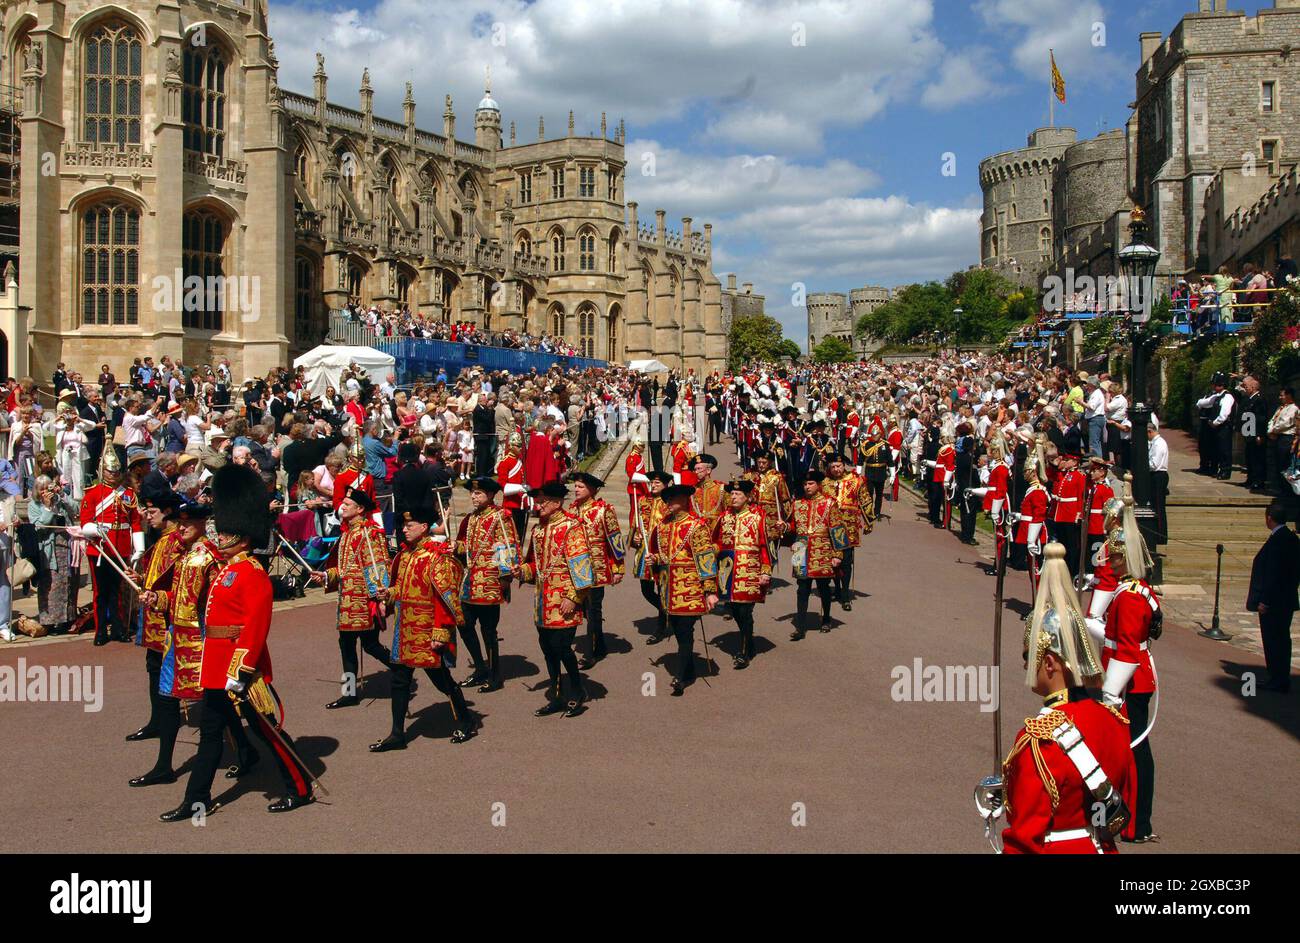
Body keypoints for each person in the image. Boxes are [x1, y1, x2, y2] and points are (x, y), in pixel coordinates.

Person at [161, 462, 314, 820]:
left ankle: (300, 787)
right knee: (210, 736)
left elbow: (255, 626)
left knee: (267, 730)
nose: (220, 536)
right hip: (215, 665)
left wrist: (241, 668)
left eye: (227, 531)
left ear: (242, 536)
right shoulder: (226, 570)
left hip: (238, 669)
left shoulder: (252, 573)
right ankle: (195, 799)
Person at [1000, 542, 1134, 854]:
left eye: (1029, 656)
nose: (1025, 665)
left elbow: (1024, 838)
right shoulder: (1113, 719)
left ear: (1049, 662)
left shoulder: (1040, 740)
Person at [371, 507, 479, 751]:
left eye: (411, 525)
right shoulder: (405, 556)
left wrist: (441, 632)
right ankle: (397, 733)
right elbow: (401, 589)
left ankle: (465, 719)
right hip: (405, 629)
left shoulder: (437, 557)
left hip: (428, 630)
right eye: (403, 526)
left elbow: (446, 598)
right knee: (399, 681)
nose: (405, 529)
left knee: (443, 681)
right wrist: (388, 594)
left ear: (424, 526)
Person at [1100, 525, 1160, 844]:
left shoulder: (1132, 596)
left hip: (1129, 682)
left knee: (1135, 752)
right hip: (1127, 677)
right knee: (1127, 749)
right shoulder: (1130, 589)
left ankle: (1137, 824)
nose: (1109, 559)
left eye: (1114, 555)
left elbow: (1126, 649)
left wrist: (1111, 691)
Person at [514, 480, 594, 717]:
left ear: (557, 503)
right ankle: (557, 693)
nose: (538, 506)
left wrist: (574, 596)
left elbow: (583, 568)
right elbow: (534, 565)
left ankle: (578, 690)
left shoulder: (572, 527)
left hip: (564, 600)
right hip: (542, 601)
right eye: (537, 502)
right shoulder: (538, 530)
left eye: (542, 502)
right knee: (547, 647)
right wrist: (523, 571)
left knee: (561, 646)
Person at [313, 487, 393, 709]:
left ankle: (398, 669)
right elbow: (344, 570)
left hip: (364, 601)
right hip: (346, 602)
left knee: (370, 645)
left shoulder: (370, 534)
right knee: (346, 646)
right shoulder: (347, 534)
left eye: (347, 505)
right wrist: (326, 576)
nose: (342, 507)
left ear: (360, 509)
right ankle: (349, 692)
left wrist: (381, 599)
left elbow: (378, 568)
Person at [649, 482, 719, 696]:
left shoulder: (696, 526)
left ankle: (681, 676)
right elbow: (665, 555)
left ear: (683, 500)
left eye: (671, 499)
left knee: (684, 630)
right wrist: (656, 558)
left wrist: (709, 590)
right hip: (669, 588)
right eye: (666, 500)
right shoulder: (663, 526)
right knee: (679, 631)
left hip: (690, 587)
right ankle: (687, 669)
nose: (667, 503)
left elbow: (705, 558)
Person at [453, 476, 519, 692]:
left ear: (490, 495)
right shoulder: (472, 518)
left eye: (478, 493)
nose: (473, 496)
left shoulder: (501, 517)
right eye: (472, 493)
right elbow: (468, 547)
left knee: (489, 631)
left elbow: (507, 548)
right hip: (470, 581)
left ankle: (494, 673)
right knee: (463, 624)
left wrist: (505, 578)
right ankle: (480, 666)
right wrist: (456, 547)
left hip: (490, 581)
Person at [78, 449, 144, 645]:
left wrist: (138, 547)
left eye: (116, 472)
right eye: (110, 471)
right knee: (101, 592)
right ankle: (100, 632)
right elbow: (85, 523)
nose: (113, 475)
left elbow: (135, 522)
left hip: (121, 547)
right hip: (100, 549)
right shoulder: (92, 494)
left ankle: (118, 628)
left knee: (119, 591)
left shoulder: (129, 494)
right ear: (102, 471)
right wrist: (96, 530)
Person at [569, 471, 625, 669]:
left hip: (597, 569)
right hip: (576, 570)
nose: (576, 489)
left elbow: (615, 539)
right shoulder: (572, 510)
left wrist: (618, 567)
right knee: (584, 610)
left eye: (580, 487)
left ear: (592, 490)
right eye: (575, 486)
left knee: (593, 610)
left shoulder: (603, 510)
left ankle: (591, 654)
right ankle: (599, 644)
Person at [713, 478, 771, 669]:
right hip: (728, 570)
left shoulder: (757, 516)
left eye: (738, 494)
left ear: (748, 497)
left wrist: (765, 570)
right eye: (732, 494)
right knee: (736, 610)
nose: (734, 497)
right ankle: (749, 640)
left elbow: (764, 545)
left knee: (745, 610)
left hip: (750, 569)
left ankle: (745, 652)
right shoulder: (725, 517)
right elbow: (716, 541)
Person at [1246, 501, 1299, 693]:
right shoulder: (1291, 538)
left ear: (1269, 518)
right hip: (1286, 600)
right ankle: (1279, 676)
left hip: (1273, 602)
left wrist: (1264, 600)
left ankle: (1277, 677)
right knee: (1282, 638)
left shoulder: (1279, 540)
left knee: (1274, 639)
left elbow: (1273, 575)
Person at [788, 470, 846, 638]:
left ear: (819, 485)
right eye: (805, 484)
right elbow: (792, 526)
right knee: (802, 588)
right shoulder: (797, 503)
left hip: (822, 550)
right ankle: (800, 626)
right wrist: (784, 527)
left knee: (823, 588)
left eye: (811, 483)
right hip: (801, 549)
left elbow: (837, 528)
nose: (807, 487)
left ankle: (826, 618)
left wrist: (837, 554)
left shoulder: (829, 503)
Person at [825, 451, 873, 608]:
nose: (837, 470)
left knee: (846, 561)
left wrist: (868, 521)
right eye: (833, 467)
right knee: (833, 561)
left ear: (843, 465)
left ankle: (845, 594)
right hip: (830, 528)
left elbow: (865, 500)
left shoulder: (855, 480)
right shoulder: (824, 482)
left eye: (839, 466)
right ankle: (837, 588)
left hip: (848, 527)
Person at [631, 470, 672, 643]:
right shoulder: (642, 501)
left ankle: (661, 627)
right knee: (646, 590)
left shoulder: (670, 503)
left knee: (663, 590)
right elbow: (635, 525)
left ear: (665, 485)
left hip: (662, 552)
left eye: (657, 483)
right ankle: (667, 611)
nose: (653, 485)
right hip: (645, 551)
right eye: (652, 483)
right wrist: (635, 537)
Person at [1195, 372, 1235, 480]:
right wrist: (1199, 403)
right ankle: (1218, 469)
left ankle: (1225, 471)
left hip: (1224, 427)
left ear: (1221, 384)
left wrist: (1215, 422)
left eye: (1215, 384)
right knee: (1217, 449)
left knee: (1224, 450)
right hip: (1217, 428)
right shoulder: (1217, 396)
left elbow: (1224, 414)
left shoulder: (1227, 397)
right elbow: (1205, 402)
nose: (1213, 386)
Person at [1239, 376, 1268, 492]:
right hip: (1249, 433)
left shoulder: (1259, 400)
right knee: (1250, 457)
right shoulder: (1249, 399)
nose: (1245, 389)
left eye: (1246, 386)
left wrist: (1259, 434)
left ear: (1253, 387)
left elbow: (1261, 418)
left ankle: (1259, 481)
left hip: (1256, 434)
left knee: (1257, 458)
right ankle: (1250, 479)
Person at [1147, 421, 1169, 543]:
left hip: (1159, 475)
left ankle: (1161, 536)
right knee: (1156, 505)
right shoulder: (1155, 443)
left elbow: (1154, 464)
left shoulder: (1159, 444)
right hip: (1157, 475)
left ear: (1150, 431)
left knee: (1159, 507)